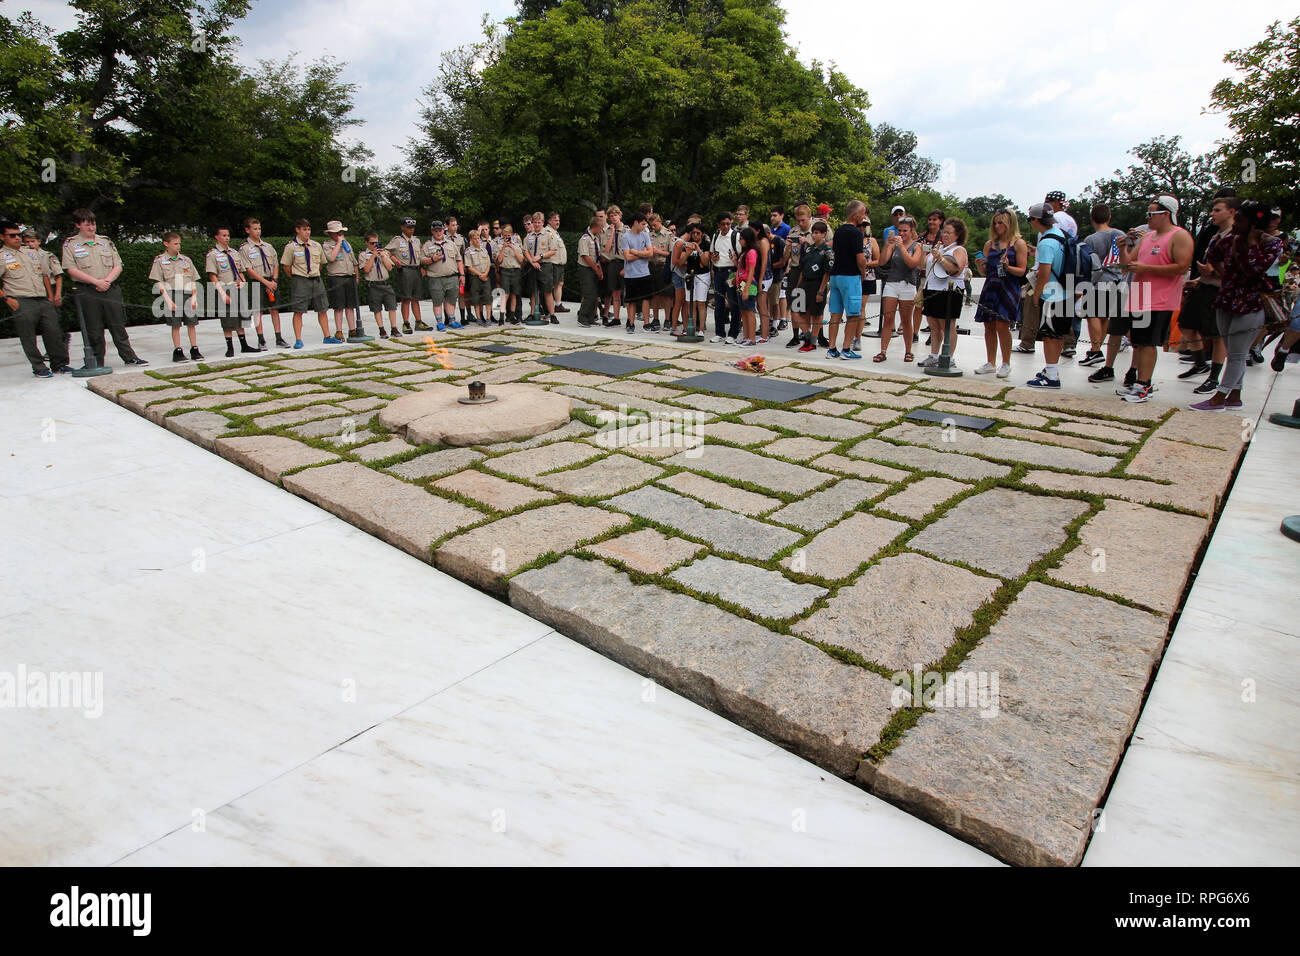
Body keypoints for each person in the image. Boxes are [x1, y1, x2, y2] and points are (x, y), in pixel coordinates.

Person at [1191, 200, 1284, 411]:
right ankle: (1235, 394)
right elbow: (1212, 255)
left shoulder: (1271, 243)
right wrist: (1223, 273)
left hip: (1251, 303)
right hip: (1227, 297)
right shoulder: (1230, 239)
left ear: (1252, 223)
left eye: (1240, 220)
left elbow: (1254, 268)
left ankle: (1219, 397)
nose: (1235, 224)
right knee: (1233, 350)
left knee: (1237, 353)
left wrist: (1249, 245)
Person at [1116, 194, 1193, 402]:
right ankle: (1138, 382)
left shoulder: (1180, 236)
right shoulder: (1147, 238)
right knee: (1138, 342)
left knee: (1148, 342)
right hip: (1139, 295)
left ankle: (1144, 385)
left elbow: (1181, 266)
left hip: (1160, 299)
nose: (1148, 217)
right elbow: (1126, 266)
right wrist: (1123, 248)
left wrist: (1147, 268)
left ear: (1166, 214)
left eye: (1152, 213)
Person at [61, 209, 146, 365]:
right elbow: (71, 270)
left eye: (93, 224)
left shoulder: (106, 241)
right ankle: (97, 360)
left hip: (110, 288)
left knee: (118, 325)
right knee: (94, 328)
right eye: (87, 225)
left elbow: (118, 265)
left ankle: (129, 357)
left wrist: (106, 281)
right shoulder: (71, 245)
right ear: (78, 225)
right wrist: (95, 282)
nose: (91, 228)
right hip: (88, 290)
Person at [2, 219, 71, 377]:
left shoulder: (31, 252)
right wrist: (8, 299)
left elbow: (45, 274)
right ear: (2, 237)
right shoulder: (2, 256)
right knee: (28, 336)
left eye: (18, 235)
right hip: (21, 299)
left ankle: (59, 364)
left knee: (53, 331)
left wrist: (50, 296)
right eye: (12, 236)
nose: (17, 238)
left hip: (42, 298)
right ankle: (39, 367)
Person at [1023, 203, 1073, 389]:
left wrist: (1036, 296)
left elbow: (1044, 274)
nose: (1030, 223)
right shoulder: (1061, 235)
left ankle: (1051, 375)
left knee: (1049, 335)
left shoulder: (1045, 242)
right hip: (1066, 291)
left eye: (1030, 219)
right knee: (1059, 334)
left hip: (1052, 295)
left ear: (1036, 220)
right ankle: (1051, 369)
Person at [973, 210, 1026, 376]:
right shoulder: (990, 244)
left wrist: (1008, 267)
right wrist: (980, 265)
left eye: (1001, 222)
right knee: (988, 325)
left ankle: (1006, 362)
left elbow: (1022, 270)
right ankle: (991, 361)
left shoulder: (1018, 243)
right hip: (991, 286)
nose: (997, 226)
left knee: (1003, 325)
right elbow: (985, 271)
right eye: (995, 223)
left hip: (1008, 287)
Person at [1076, 204, 1126, 369]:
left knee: (1092, 316)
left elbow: (1087, 262)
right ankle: (1096, 349)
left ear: (1092, 219)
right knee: (1105, 317)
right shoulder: (1119, 235)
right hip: (1116, 281)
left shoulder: (1091, 239)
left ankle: (1095, 350)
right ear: (1109, 217)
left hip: (1097, 281)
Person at [920, 217, 969, 368]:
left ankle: (948, 356)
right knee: (933, 323)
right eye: (944, 232)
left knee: (947, 325)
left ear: (957, 235)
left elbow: (955, 269)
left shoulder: (958, 249)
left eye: (949, 232)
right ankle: (934, 355)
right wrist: (924, 252)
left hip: (948, 291)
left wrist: (940, 258)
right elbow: (923, 266)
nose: (945, 235)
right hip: (932, 289)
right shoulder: (940, 247)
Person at [280, 218, 334, 348]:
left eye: (309, 229)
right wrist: (297, 277)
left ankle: (327, 336)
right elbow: (286, 267)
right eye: (304, 229)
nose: (307, 232)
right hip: (300, 280)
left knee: (322, 309)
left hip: (316, 279)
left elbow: (321, 263)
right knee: (299, 311)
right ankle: (298, 339)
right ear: (297, 230)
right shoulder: (291, 247)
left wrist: (313, 273)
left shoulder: (316, 245)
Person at [876, 215, 924, 363]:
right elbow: (882, 261)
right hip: (892, 282)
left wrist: (902, 247)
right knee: (888, 318)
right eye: (900, 230)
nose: (901, 233)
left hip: (908, 284)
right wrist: (887, 245)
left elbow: (912, 264)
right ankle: (883, 351)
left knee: (905, 319)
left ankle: (908, 351)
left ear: (911, 231)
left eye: (905, 231)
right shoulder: (893, 244)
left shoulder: (917, 246)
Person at [206, 226, 258, 357]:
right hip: (225, 288)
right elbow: (212, 276)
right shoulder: (212, 254)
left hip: (238, 287)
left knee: (242, 317)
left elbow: (240, 271)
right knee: (228, 320)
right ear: (216, 237)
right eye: (223, 235)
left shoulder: (234, 253)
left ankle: (244, 345)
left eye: (228, 235)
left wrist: (243, 282)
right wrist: (222, 294)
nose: (226, 238)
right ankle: (230, 347)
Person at [149, 231, 201, 362]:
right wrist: (167, 299)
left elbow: (193, 279)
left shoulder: (186, 260)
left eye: (179, 243)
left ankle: (194, 348)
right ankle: (178, 350)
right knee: (176, 324)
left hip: (187, 294)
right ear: (166, 244)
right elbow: (159, 282)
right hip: (171, 294)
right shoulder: (160, 261)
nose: (178, 246)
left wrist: (194, 297)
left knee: (192, 323)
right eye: (175, 244)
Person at [826, 199, 868, 359]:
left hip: (836, 275)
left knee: (835, 313)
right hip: (850, 276)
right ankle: (845, 348)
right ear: (855, 214)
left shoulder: (839, 231)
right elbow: (860, 258)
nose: (864, 217)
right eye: (863, 213)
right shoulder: (856, 233)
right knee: (853, 314)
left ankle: (831, 348)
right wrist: (863, 271)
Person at [240, 217, 287, 348]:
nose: (258, 231)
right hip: (258, 282)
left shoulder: (268, 246)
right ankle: (261, 340)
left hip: (271, 281)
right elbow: (248, 269)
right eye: (254, 229)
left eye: (259, 228)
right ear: (247, 230)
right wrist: (266, 282)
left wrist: (274, 280)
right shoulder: (245, 248)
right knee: (258, 311)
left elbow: (275, 264)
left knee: (274, 310)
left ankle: (279, 338)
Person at [385, 217, 430, 333]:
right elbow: (386, 251)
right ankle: (406, 323)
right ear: (403, 227)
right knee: (406, 298)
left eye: (413, 227)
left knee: (416, 297)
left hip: (416, 270)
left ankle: (419, 321)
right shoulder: (397, 240)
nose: (411, 229)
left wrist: (422, 268)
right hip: (405, 270)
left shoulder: (416, 240)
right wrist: (394, 259)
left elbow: (420, 256)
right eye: (409, 227)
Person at [795, 221, 832, 352]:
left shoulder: (827, 251)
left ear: (824, 234)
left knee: (816, 314)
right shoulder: (809, 249)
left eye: (817, 233)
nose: (814, 235)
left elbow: (827, 272)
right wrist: (798, 286)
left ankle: (812, 342)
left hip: (817, 284)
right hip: (805, 282)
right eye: (813, 233)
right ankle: (807, 336)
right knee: (798, 312)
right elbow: (802, 268)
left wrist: (821, 291)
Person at [322, 220, 360, 342]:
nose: (340, 234)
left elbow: (354, 261)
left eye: (341, 232)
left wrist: (357, 276)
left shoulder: (347, 243)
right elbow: (331, 258)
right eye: (337, 232)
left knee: (350, 306)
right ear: (331, 233)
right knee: (338, 307)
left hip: (349, 277)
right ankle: (339, 331)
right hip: (336, 278)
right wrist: (338, 243)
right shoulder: (327, 245)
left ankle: (352, 330)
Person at [672, 221, 711, 337]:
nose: (695, 235)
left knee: (701, 303)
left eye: (698, 233)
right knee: (690, 303)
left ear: (702, 234)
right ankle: (691, 328)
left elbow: (705, 262)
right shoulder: (687, 244)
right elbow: (680, 262)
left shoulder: (706, 245)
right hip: (689, 275)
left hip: (702, 275)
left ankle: (701, 329)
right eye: (693, 233)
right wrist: (687, 253)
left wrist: (699, 250)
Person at [422, 220, 463, 330]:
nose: (438, 233)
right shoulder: (427, 245)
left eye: (440, 230)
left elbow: (459, 260)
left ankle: (452, 320)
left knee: (451, 300)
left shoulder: (451, 243)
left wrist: (462, 275)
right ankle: (440, 322)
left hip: (452, 277)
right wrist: (432, 259)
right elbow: (421, 260)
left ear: (443, 230)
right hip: (436, 278)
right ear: (432, 231)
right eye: (436, 231)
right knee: (437, 301)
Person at [783, 202, 814, 348]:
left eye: (803, 220)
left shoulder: (817, 231)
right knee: (795, 303)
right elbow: (785, 258)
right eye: (798, 220)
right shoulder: (794, 232)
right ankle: (795, 335)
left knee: (812, 305)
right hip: (795, 270)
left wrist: (807, 242)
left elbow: (824, 250)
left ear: (809, 217)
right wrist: (788, 246)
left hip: (811, 271)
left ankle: (815, 335)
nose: (801, 223)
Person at [358, 232, 400, 338]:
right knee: (377, 309)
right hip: (373, 285)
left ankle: (394, 328)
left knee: (392, 307)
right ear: (367, 243)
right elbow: (366, 269)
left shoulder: (384, 253)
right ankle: (381, 329)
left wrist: (382, 256)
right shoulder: (363, 255)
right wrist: (373, 255)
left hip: (385, 283)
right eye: (372, 243)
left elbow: (390, 268)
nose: (375, 245)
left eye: (377, 243)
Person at [709, 211, 741, 343]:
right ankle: (719, 332)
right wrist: (713, 258)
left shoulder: (735, 236)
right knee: (719, 303)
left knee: (733, 303)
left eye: (728, 223)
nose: (726, 226)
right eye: (723, 224)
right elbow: (712, 253)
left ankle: (733, 333)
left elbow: (741, 255)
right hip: (718, 271)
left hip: (731, 271)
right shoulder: (716, 235)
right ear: (718, 224)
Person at [621, 212, 655, 332]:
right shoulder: (626, 237)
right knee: (632, 300)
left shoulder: (645, 235)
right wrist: (642, 253)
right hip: (631, 274)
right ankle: (631, 323)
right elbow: (627, 257)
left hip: (644, 272)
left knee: (646, 299)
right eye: (643, 224)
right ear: (636, 223)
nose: (644, 227)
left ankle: (646, 324)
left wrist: (635, 252)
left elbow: (650, 253)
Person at [733, 226, 761, 346]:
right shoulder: (744, 252)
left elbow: (751, 271)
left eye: (742, 238)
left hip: (749, 283)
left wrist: (746, 289)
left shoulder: (751, 252)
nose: (740, 240)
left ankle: (752, 338)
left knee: (749, 310)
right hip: (741, 283)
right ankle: (746, 336)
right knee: (743, 310)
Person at [648, 212, 675, 331]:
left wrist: (658, 251)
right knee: (654, 294)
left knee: (667, 295)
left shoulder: (668, 235)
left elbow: (672, 253)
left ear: (660, 222)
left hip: (664, 266)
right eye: (651, 226)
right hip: (652, 265)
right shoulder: (649, 235)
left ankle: (668, 319)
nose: (653, 227)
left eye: (654, 225)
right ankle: (655, 318)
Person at [600, 205, 627, 322]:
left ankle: (630, 319)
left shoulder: (627, 230)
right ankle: (616, 318)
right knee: (615, 292)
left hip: (624, 262)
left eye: (615, 215)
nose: (614, 218)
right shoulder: (608, 231)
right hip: (613, 262)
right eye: (611, 216)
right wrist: (611, 233)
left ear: (620, 215)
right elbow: (606, 249)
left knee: (627, 290)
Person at [576, 216, 603, 328]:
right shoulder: (585, 238)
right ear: (595, 227)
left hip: (594, 269)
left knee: (594, 294)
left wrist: (600, 270)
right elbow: (586, 256)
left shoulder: (595, 239)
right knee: (588, 294)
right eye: (600, 228)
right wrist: (596, 269)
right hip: (586, 269)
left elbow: (597, 256)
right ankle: (582, 317)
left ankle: (591, 317)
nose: (601, 230)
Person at [494, 222, 524, 325]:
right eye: (505, 235)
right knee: (505, 294)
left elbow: (521, 260)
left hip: (515, 271)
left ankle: (512, 316)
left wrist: (513, 248)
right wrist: (503, 248)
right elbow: (498, 261)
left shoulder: (517, 245)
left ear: (511, 235)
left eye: (508, 235)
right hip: (505, 271)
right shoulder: (499, 245)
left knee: (514, 295)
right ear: (502, 235)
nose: (507, 237)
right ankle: (502, 317)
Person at [463, 229, 493, 325]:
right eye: (474, 239)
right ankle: (479, 318)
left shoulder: (484, 250)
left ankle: (488, 318)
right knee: (476, 298)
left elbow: (488, 264)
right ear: (471, 240)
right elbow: (469, 266)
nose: (477, 240)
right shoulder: (468, 251)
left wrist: (485, 274)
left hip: (485, 276)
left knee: (488, 297)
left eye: (478, 238)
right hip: (475, 278)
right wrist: (480, 274)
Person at [546, 212, 568, 317]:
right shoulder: (547, 232)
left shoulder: (555, 232)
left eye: (558, 220)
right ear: (549, 221)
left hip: (560, 264)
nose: (558, 222)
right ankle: (547, 307)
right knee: (552, 285)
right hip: (553, 263)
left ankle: (558, 304)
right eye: (555, 220)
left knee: (559, 284)